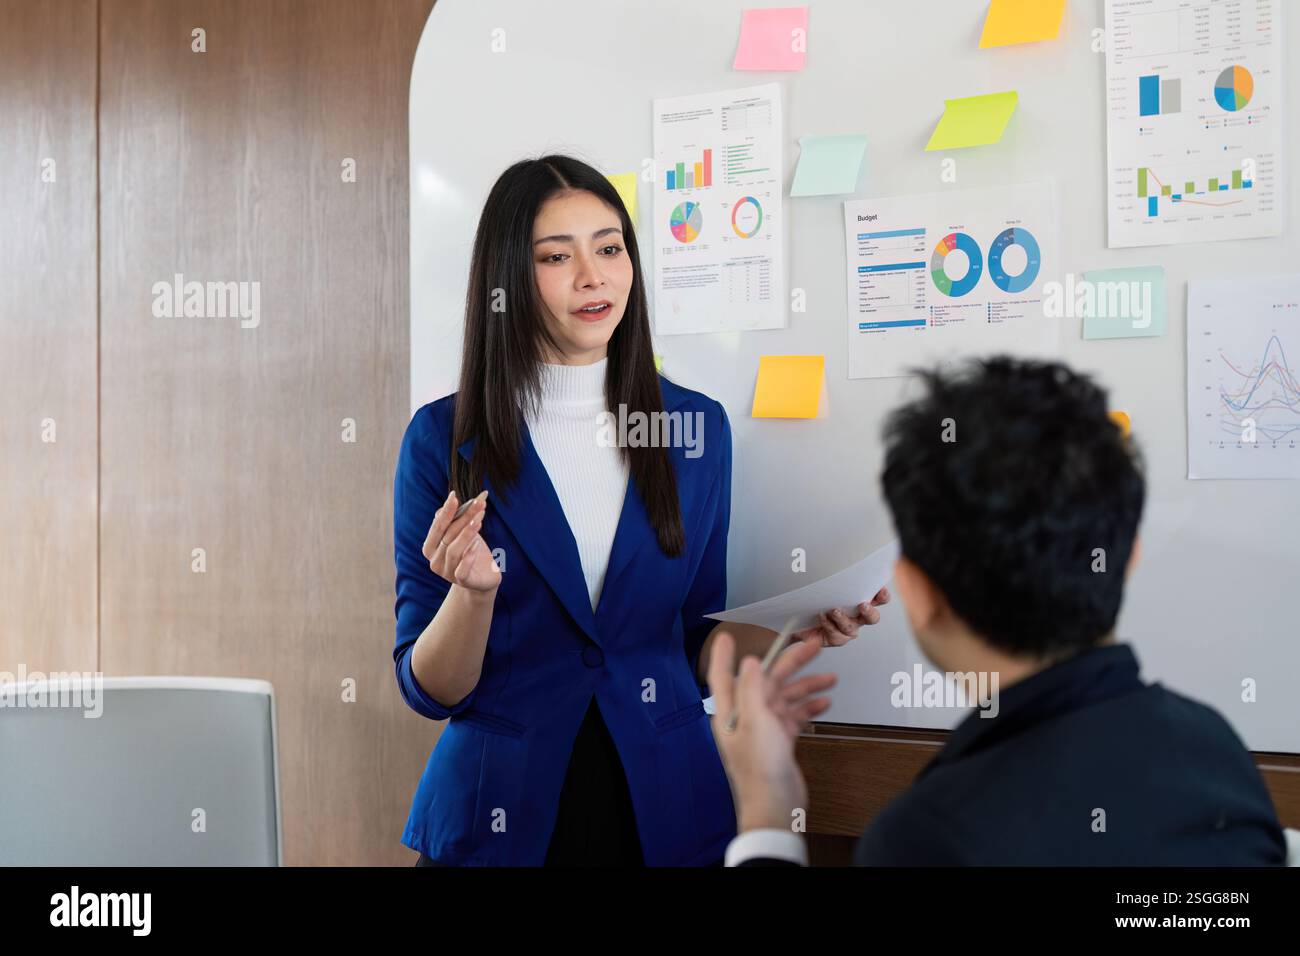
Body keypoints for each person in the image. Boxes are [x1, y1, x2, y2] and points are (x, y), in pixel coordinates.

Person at [392, 154, 889, 866]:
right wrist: (471, 598)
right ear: (507, 279)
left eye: (610, 247)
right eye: (557, 256)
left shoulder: (695, 431)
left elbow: (692, 647)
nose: (594, 276)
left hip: (665, 805)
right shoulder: (443, 440)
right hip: (498, 815)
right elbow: (429, 689)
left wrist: (795, 624)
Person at [708, 357, 1287, 866]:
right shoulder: (1214, 748)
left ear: (914, 591)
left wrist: (767, 813)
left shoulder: (931, 837)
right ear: (1126, 558)